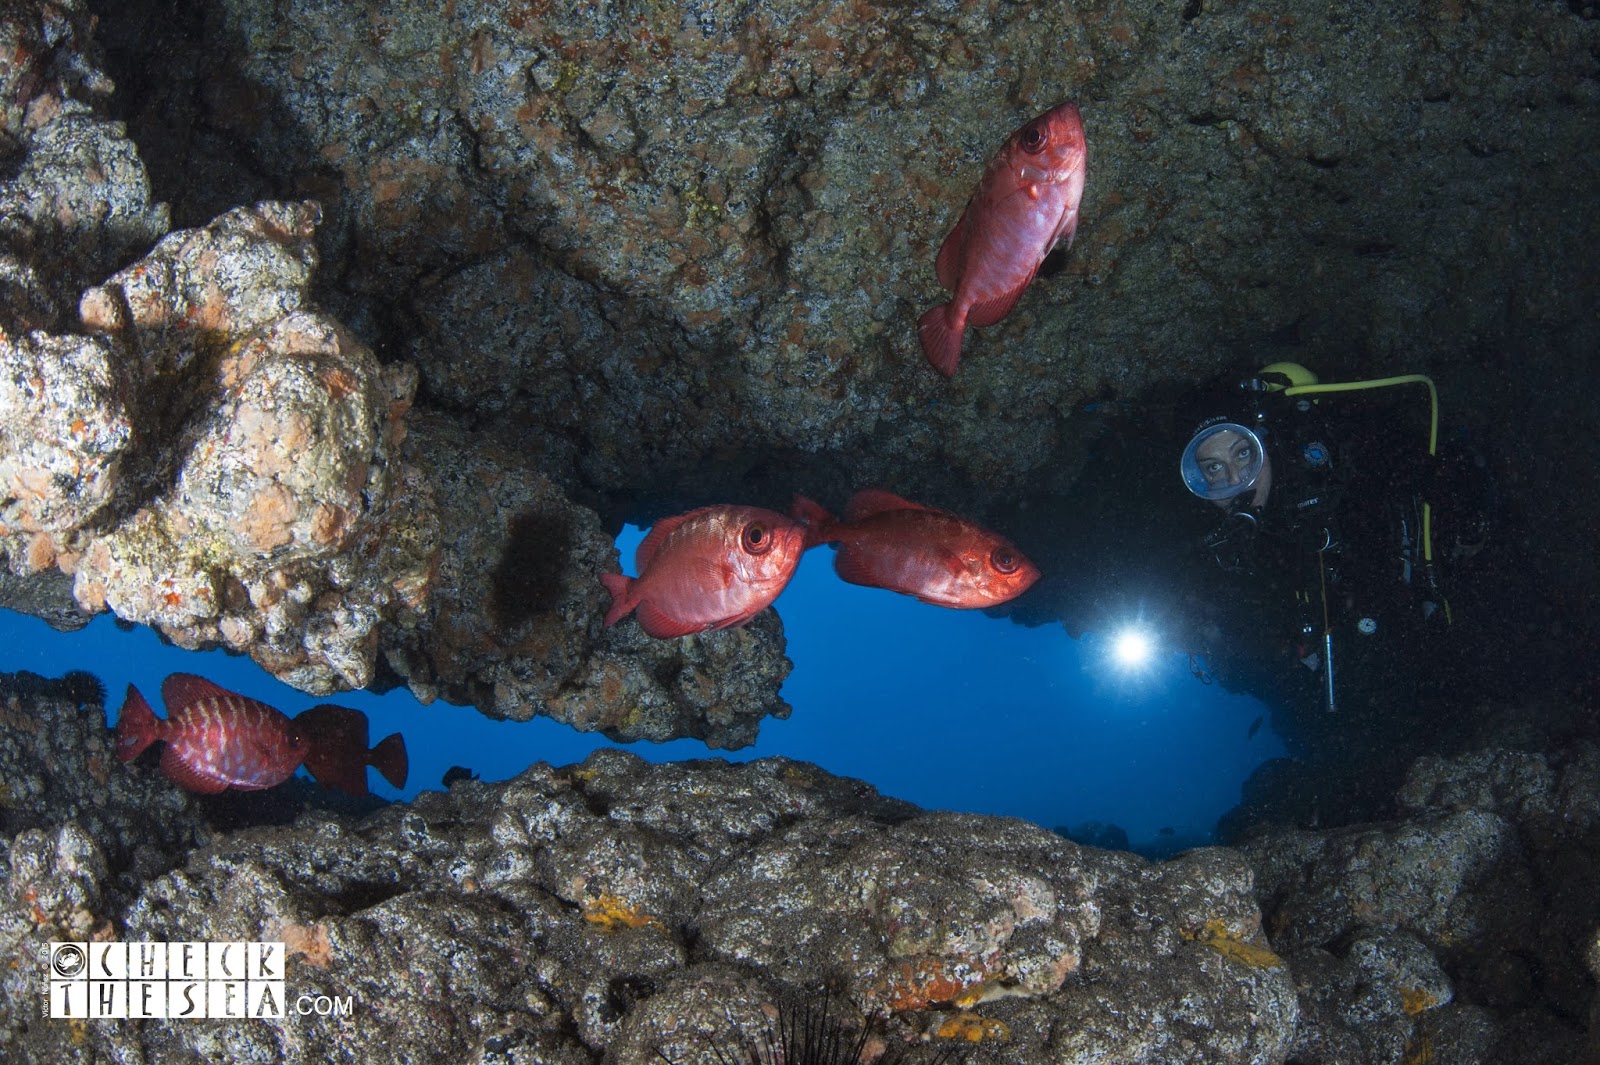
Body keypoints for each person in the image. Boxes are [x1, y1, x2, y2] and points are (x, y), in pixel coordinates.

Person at [1176, 362, 1490, 714]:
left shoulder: (1333, 469)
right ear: (1198, 480)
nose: (1239, 480)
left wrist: (1468, 523)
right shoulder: (1214, 544)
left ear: (1265, 444)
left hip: (1443, 631)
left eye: (1243, 453)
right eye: (1214, 468)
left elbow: (1435, 474)